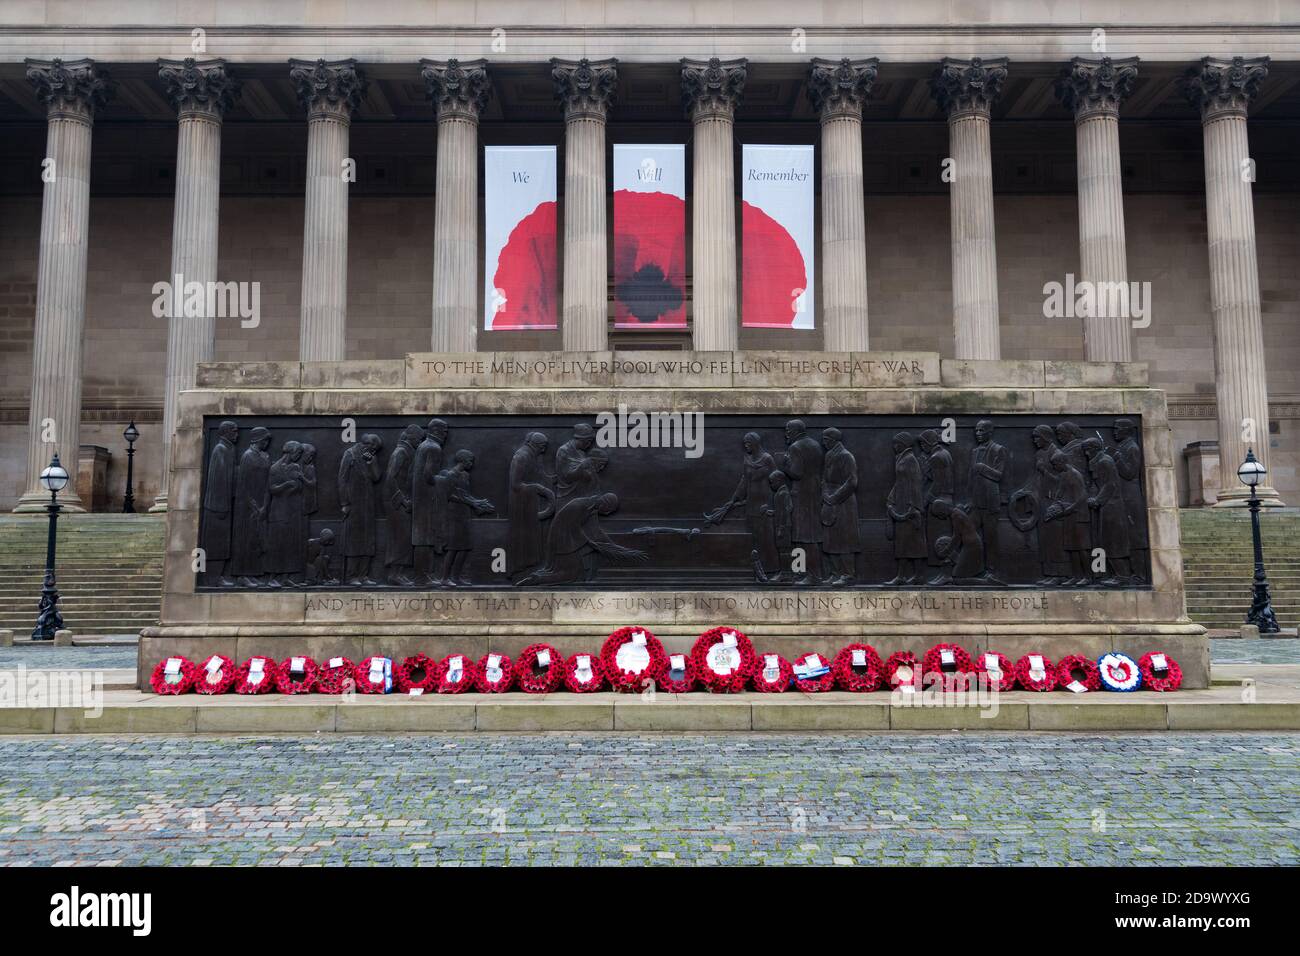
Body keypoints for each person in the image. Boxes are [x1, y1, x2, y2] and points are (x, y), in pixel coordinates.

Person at [516, 493, 648, 587]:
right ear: (603, 503)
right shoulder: (579, 504)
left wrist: (615, 548)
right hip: (562, 542)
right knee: (569, 575)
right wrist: (589, 542)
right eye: (608, 510)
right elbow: (572, 527)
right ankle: (536, 579)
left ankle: (538, 578)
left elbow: (597, 532)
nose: (607, 514)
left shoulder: (590, 508)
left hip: (570, 541)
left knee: (572, 573)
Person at [705, 432, 778, 576]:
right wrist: (734, 498)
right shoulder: (747, 460)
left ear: (756, 443)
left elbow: (777, 479)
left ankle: (772, 569)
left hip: (765, 503)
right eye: (745, 443)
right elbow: (744, 480)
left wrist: (772, 505)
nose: (746, 446)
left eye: (748, 443)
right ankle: (757, 568)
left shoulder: (767, 459)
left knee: (767, 537)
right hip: (752, 503)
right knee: (754, 536)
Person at [434, 450, 496, 587]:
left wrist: (479, 503)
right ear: (462, 460)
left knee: (464, 547)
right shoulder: (450, 475)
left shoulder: (465, 475)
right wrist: (473, 503)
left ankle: (456, 577)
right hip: (454, 514)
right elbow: (450, 496)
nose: (472, 464)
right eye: (470, 461)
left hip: (465, 513)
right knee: (453, 548)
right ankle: (444, 578)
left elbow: (466, 495)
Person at [779, 420, 824, 585]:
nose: (786, 434)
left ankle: (812, 575)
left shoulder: (795, 447)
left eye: (787, 430)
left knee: (804, 537)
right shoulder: (816, 445)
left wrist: (785, 464)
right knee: (808, 536)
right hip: (814, 493)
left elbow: (797, 473)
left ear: (794, 430)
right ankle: (802, 572)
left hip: (802, 496)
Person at [1084, 436, 1133, 584]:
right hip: (1106, 507)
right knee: (1106, 541)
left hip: (1112, 508)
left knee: (1113, 542)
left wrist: (1097, 500)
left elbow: (1109, 485)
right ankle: (1111, 574)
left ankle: (1123, 576)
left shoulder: (1105, 461)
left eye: (1087, 450)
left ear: (1093, 449)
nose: (1086, 454)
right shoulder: (1099, 461)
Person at [338, 433, 383, 586]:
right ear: (367, 443)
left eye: (376, 449)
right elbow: (342, 479)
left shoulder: (371, 456)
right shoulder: (349, 454)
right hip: (353, 504)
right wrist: (344, 503)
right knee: (354, 540)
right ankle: (352, 576)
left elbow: (376, 477)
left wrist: (372, 462)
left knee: (368, 540)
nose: (374, 450)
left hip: (368, 504)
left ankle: (364, 575)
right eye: (374, 447)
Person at [508, 432, 555, 578]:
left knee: (532, 536)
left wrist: (555, 479)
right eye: (542, 446)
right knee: (522, 536)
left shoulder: (534, 456)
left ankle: (529, 566)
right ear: (533, 444)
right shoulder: (521, 456)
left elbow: (540, 475)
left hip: (531, 503)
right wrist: (539, 488)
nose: (543, 450)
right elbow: (515, 485)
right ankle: (516, 569)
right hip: (520, 504)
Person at [1043, 448, 1092, 586]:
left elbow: (1082, 496)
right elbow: (1061, 492)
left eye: (1055, 464)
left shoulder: (1075, 475)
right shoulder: (1064, 475)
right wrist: (1055, 505)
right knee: (1071, 548)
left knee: (1082, 547)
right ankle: (1076, 576)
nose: (1054, 467)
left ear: (1062, 462)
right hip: (1069, 515)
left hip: (1079, 516)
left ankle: (1087, 577)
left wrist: (1070, 508)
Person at [231, 425, 271, 587]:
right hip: (247, 506)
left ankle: (254, 573)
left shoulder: (264, 456)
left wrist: (264, 505)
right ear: (257, 440)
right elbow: (243, 484)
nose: (267, 443)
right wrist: (253, 504)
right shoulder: (247, 456)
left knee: (256, 540)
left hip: (262, 502)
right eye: (265, 440)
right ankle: (242, 575)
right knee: (245, 539)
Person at [820, 427, 861, 586]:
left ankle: (848, 574)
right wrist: (825, 494)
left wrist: (834, 497)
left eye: (825, 440)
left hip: (844, 503)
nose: (823, 443)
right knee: (830, 539)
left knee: (845, 539)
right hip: (829, 500)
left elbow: (852, 482)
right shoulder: (829, 455)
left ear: (834, 440)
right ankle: (835, 572)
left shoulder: (846, 456)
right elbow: (823, 478)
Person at [383, 424, 423, 586]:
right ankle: (394, 574)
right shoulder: (400, 452)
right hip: (397, 503)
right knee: (399, 537)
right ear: (411, 436)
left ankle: (400, 573)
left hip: (404, 501)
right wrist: (402, 500)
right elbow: (390, 478)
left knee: (405, 538)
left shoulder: (409, 451)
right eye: (419, 439)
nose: (420, 442)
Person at [969, 419, 1008, 581]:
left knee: (989, 537)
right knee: (970, 534)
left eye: (981, 431)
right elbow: (970, 478)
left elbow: (999, 475)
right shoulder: (974, 451)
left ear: (990, 432)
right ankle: (974, 567)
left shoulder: (999, 450)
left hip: (990, 501)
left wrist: (982, 468)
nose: (978, 434)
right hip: (976, 501)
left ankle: (992, 571)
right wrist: (969, 499)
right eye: (976, 431)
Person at [885, 431, 926, 585]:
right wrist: (891, 498)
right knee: (902, 542)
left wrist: (914, 507)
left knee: (915, 543)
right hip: (900, 505)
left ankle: (919, 576)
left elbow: (916, 484)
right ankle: (901, 576)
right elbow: (899, 482)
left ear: (902, 444)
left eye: (896, 443)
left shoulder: (910, 460)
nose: (894, 446)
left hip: (910, 507)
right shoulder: (902, 459)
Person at [412, 419, 449, 586]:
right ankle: (423, 577)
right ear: (435, 430)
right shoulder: (434, 448)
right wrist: (444, 479)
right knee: (425, 539)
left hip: (420, 498)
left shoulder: (422, 446)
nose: (446, 434)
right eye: (444, 431)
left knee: (422, 537)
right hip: (428, 498)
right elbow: (429, 475)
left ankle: (422, 575)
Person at [1031, 424, 1070, 584]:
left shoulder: (1058, 453)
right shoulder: (1040, 453)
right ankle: (1049, 574)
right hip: (1042, 499)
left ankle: (1060, 575)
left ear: (1046, 437)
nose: (1034, 441)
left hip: (1055, 501)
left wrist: (1044, 471)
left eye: (1037, 437)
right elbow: (1036, 478)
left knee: (1056, 538)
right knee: (1045, 538)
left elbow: (1063, 480)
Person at [202, 421, 239, 586]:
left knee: (223, 543)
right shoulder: (220, 449)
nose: (237, 434)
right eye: (234, 431)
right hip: (218, 506)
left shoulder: (228, 448)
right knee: (216, 542)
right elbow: (219, 480)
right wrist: (221, 505)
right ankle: (213, 577)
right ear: (226, 432)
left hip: (224, 504)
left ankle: (219, 576)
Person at [265, 440, 307, 587]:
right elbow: (272, 489)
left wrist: (298, 484)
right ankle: (271, 578)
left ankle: (285, 577)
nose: (299, 455)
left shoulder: (296, 466)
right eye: (299, 452)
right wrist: (287, 485)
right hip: (278, 511)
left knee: (290, 544)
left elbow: (301, 488)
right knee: (277, 544)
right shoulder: (275, 468)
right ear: (291, 451)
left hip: (292, 511)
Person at [1113, 418, 1148, 574]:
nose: (1114, 431)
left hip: (1131, 496)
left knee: (1134, 536)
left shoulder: (1132, 447)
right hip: (1122, 496)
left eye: (1117, 428)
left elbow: (1130, 473)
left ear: (1126, 430)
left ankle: (1139, 574)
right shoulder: (1123, 446)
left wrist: (1118, 459)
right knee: (1124, 536)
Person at [919, 429, 953, 573]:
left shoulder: (936, 457)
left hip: (939, 500)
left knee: (937, 537)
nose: (921, 446)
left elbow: (937, 483)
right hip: (946, 498)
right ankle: (943, 572)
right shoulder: (945, 453)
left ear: (929, 443)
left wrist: (925, 501)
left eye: (922, 443)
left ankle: (941, 573)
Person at [555, 423, 601, 499]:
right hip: (567, 495)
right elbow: (565, 476)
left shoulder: (581, 452)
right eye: (588, 441)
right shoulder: (563, 451)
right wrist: (582, 466)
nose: (589, 444)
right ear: (581, 438)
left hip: (581, 493)